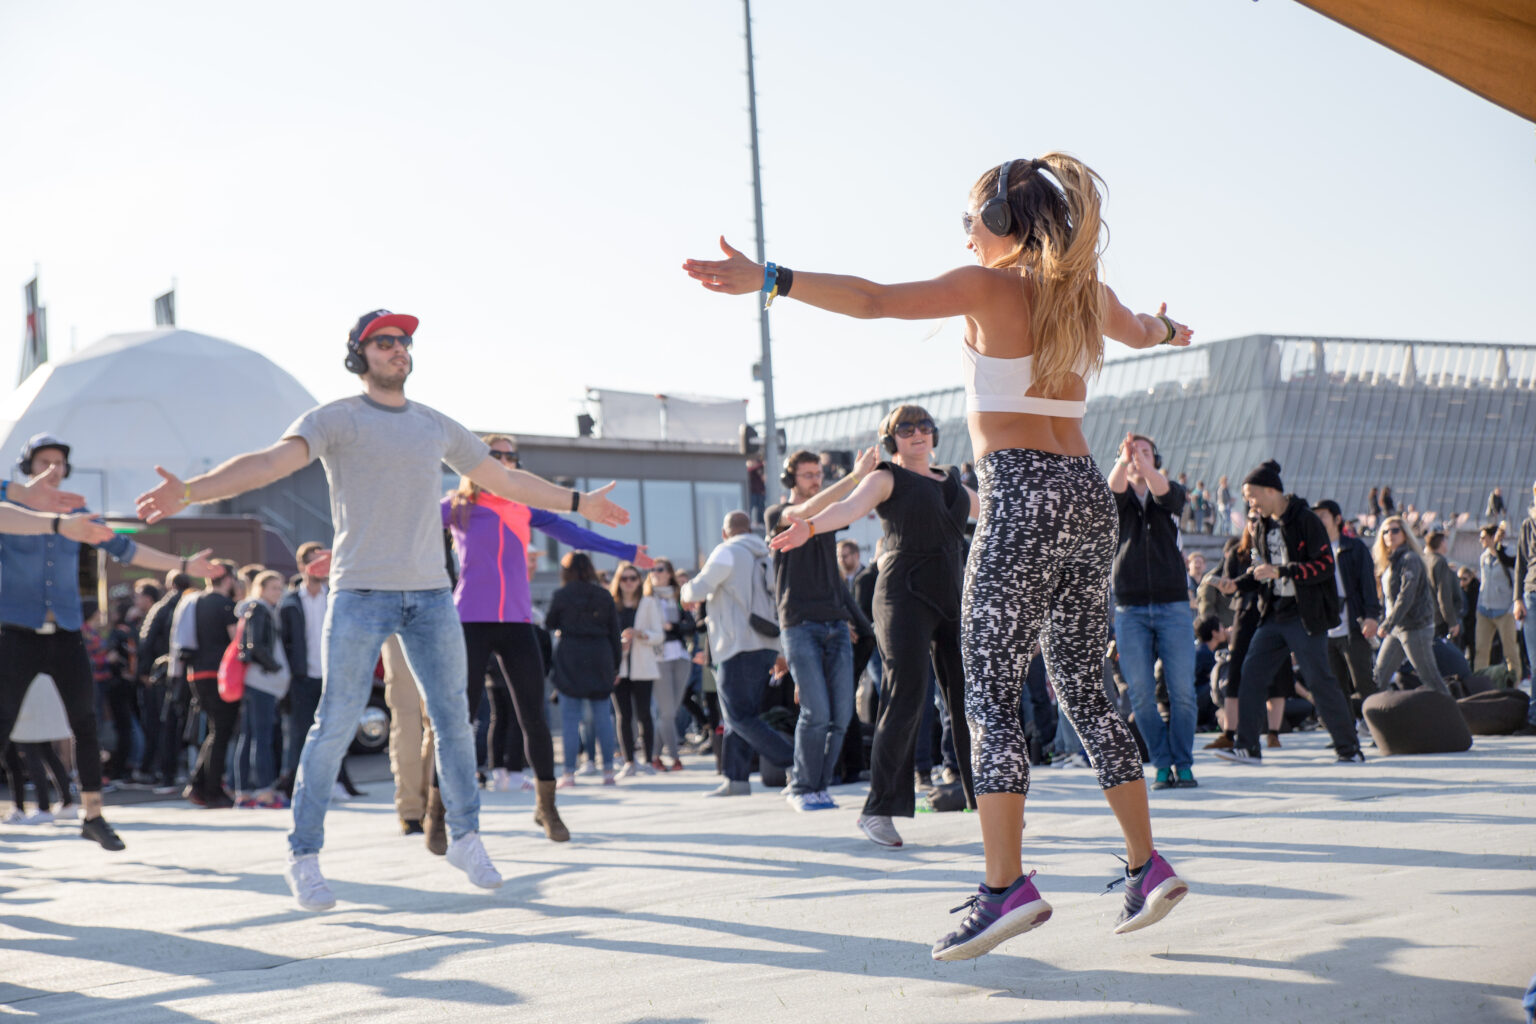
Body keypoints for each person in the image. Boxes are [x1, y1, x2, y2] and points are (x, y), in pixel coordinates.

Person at [687, 153, 1193, 957]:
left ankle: (1005, 888)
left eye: (969, 218)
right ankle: (1146, 862)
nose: (963, 231)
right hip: (1085, 496)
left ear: (1001, 222)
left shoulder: (987, 285)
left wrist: (772, 277)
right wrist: (1170, 328)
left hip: (1021, 492)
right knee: (1085, 695)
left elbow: (873, 301)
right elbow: (1143, 332)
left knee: (988, 699)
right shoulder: (1085, 294)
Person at [135, 308, 628, 910]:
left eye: (405, 342)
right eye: (386, 341)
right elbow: (266, 463)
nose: (400, 349)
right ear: (360, 353)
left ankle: (467, 835)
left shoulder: (434, 425)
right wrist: (189, 490)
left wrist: (580, 503)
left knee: (453, 719)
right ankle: (304, 855)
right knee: (334, 722)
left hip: (429, 596)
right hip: (360, 593)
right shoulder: (335, 419)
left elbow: (503, 480)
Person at [771, 410, 978, 842]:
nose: (917, 434)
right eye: (906, 429)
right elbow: (848, 508)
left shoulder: (954, 481)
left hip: (951, 596)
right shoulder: (887, 478)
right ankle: (878, 810)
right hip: (903, 597)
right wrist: (807, 527)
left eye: (923, 427)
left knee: (968, 700)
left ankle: (991, 799)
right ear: (892, 440)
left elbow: (996, 511)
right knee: (905, 697)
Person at [0, 434, 208, 851]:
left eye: (59, 462)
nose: (53, 470)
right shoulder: (11, 505)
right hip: (14, 631)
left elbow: (126, 549)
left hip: (65, 631)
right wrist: (30, 502)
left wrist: (184, 565)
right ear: (26, 467)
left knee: (85, 721)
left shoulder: (77, 512)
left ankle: (92, 815)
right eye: (44, 461)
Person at [439, 433, 646, 844]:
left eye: (509, 456)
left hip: (517, 622)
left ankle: (547, 807)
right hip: (469, 621)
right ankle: (436, 810)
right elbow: (403, 533)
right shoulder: (457, 506)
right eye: (493, 455)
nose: (502, 461)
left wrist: (626, 550)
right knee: (457, 719)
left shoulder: (522, 505)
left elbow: (577, 537)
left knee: (534, 714)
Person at [1212, 460, 1365, 766]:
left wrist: (1282, 570)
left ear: (1271, 491)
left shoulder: (1306, 520)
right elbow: (1261, 573)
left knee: (1320, 680)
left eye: (1252, 495)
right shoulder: (1261, 526)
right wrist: (1236, 585)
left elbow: (1324, 567)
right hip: (1273, 615)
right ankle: (1247, 747)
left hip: (1305, 616)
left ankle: (1349, 749)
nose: (1249, 502)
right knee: (1250, 674)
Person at [764, 446, 878, 812]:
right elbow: (804, 512)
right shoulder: (778, 514)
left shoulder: (826, 518)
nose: (815, 480)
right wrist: (855, 477)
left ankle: (819, 785)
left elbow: (840, 512)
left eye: (818, 474)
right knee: (815, 712)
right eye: (808, 475)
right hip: (799, 625)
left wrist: (851, 620)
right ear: (790, 479)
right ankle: (801, 784)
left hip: (835, 624)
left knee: (842, 714)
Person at [681, 512, 793, 796]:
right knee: (741, 714)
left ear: (724, 532)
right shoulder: (765, 555)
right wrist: (780, 651)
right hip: (766, 644)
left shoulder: (727, 551)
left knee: (739, 716)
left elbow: (698, 588)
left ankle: (795, 762)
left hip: (736, 645)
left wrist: (684, 590)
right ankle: (736, 779)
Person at [1108, 434, 1198, 790]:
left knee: (1182, 691)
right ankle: (1161, 762)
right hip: (1129, 607)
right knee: (1141, 692)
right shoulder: (1118, 498)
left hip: (1173, 603)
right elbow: (1113, 490)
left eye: (1145, 452)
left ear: (1156, 459)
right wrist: (1124, 461)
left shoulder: (1169, 493)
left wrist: (1145, 466)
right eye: (1130, 453)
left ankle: (1184, 761)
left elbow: (1164, 493)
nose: (1136, 458)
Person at [547, 552, 622, 787]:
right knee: (603, 717)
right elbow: (614, 633)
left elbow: (550, 623)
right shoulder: (603, 595)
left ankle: (569, 773)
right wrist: (615, 666)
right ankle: (608, 771)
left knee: (570, 719)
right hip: (600, 654)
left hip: (571, 655)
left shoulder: (562, 595)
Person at [1312, 500, 1381, 721]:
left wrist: (1372, 616)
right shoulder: (1314, 552)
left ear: (1337, 518)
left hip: (1354, 625)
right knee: (1336, 687)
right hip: (1327, 630)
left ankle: (1380, 727)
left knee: (1363, 682)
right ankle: (1346, 736)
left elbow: (1368, 585)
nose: (1318, 520)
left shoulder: (1354, 547)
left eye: (1323, 515)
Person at [1369, 515, 1450, 696]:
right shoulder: (1390, 562)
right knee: (1379, 677)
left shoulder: (1409, 558)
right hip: (1397, 627)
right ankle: (1368, 723)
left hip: (1415, 627)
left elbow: (1407, 596)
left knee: (1430, 678)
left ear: (1405, 534)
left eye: (1395, 530)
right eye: (1385, 531)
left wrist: (1387, 624)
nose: (1390, 534)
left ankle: (1454, 718)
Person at [184, 560, 241, 808]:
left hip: (195, 673)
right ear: (228, 579)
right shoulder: (227, 606)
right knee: (221, 732)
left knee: (213, 731)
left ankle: (198, 785)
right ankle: (211, 789)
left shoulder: (195, 602)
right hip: (220, 675)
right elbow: (235, 644)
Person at [233, 571, 290, 808]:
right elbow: (255, 646)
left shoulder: (258, 609)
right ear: (261, 589)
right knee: (261, 738)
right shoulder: (259, 609)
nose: (278, 592)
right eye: (274, 588)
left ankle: (244, 792)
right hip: (262, 682)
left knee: (249, 737)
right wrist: (275, 667)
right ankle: (264, 792)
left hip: (258, 682)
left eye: (280, 588)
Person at [610, 561, 666, 776]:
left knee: (644, 713)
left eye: (633, 578)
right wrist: (620, 642)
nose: (629, 582)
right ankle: (629, 762)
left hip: (643, 666)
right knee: (623, 715)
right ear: (618, 581)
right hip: (619, 667)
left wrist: (641, 634)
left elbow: (659, 635)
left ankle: (649, 760)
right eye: (624, 578)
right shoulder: (612, 604)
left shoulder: (649, 603)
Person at [646, 559, 697, 772]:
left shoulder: (678, 597)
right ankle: (675, 758)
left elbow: (690, 626)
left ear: (669, 573)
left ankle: (655, 756)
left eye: (660, 569)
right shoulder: (647, 599)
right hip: (658, 658)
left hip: (680, 656)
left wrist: (672, 627)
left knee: (671, 711)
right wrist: (664, 630)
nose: (656, 573)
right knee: (666, 712)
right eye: (653, 570)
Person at [1473, 522, 1520, 680]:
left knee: (1510, 651)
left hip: (1504, 610)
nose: (1481, 541)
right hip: (1484, 610)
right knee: (1481, 650)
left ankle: (1513, 681)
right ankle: (1479, 682)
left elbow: (1516, 581)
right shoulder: (1484, 557)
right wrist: (1478, 606)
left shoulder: (1508, 554)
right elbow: (1483, 583)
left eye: (1484, 537)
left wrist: (1513, 606)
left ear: (1494, 538)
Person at [1422, 531, 1463, 644]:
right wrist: (1452, 621)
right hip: (1439, 620)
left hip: (1425, 617)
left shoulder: (1423, 559)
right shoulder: (1439, 562)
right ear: (1441, 543)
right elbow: (1443, 595)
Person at [1515, 479, 1536, 696]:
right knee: (1535, 661)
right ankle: (1533, 714)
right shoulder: (1528, 525)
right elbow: (1520, 565)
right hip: (1532, 595)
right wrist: (1517, 599)